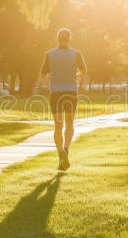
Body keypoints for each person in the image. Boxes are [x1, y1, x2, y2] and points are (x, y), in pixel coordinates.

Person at [40, 28, 87, 171]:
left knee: (58, 126)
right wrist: (75, 75)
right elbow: (84, 72)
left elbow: (43, 75)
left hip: (56, 93)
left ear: (57, 39)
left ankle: (60, 154)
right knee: (70, 123)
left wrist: (51, 76)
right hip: (71, 92)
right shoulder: (76, 54)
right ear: (69, 39)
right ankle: (66, 149)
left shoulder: (49, 54)